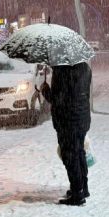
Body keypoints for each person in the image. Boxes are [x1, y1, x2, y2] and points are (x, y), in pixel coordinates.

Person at [41, 61, 92, 206]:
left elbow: (59, 99)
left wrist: (45, 91)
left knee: (70, 156)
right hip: (82, 118)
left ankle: (77, 194)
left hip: (68, 121)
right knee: (79, 152)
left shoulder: (62, 71)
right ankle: (83, 187)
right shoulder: (85, 67)